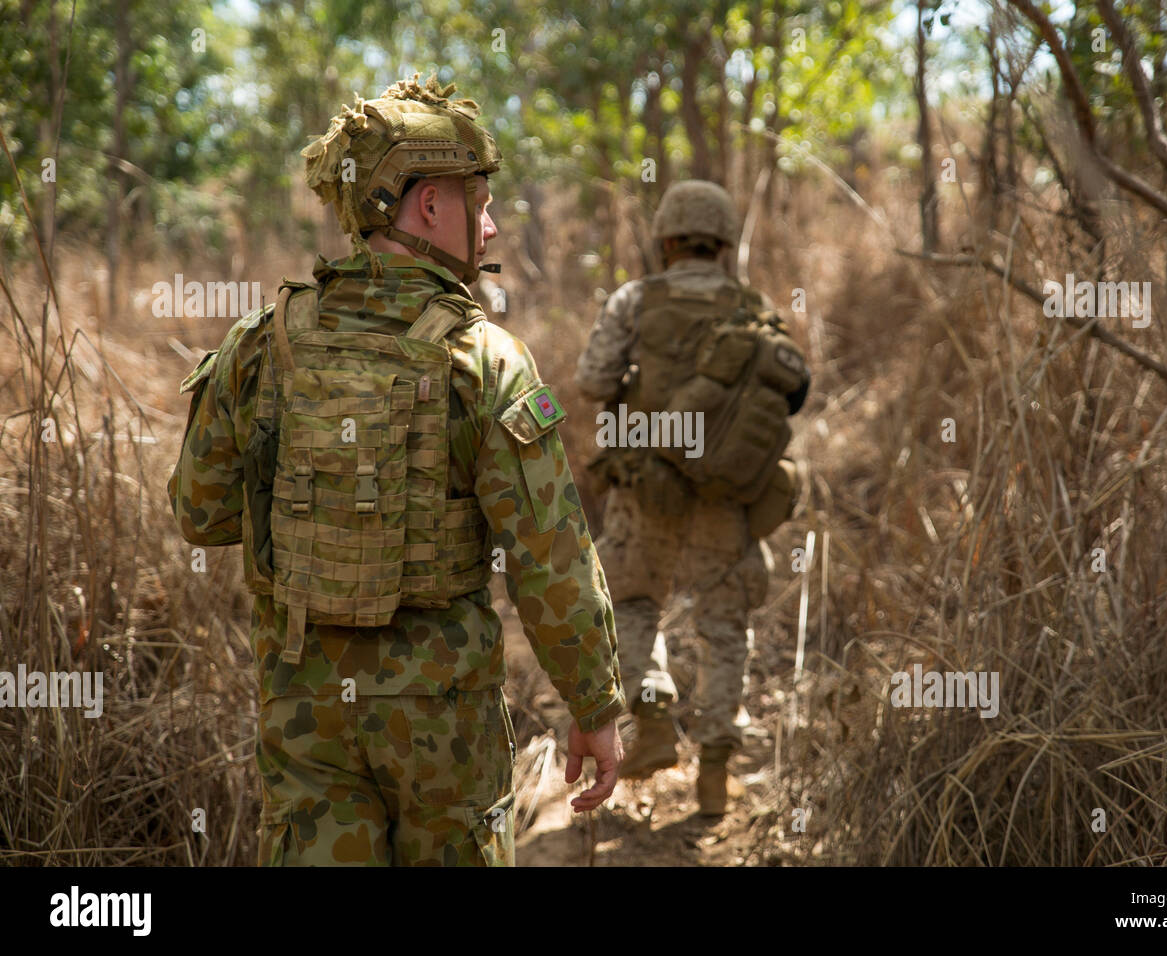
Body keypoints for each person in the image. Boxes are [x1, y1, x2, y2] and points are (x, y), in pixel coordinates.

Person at [168, 72, 624, 866]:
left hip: (305, 711)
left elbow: (199, 516)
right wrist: (594, 704)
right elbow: (547, 554)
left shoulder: (258, 342)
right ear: (429, 207)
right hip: (440, 723)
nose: (493, 226)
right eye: (479, 203)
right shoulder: (484, 359)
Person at [575, 179, 809, 817]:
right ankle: (714, 772)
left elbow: (592, 380)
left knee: (631, 605)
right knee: (724, 626)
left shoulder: (635, 299)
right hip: (725, 496)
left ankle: (651, 720)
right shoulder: (753, 306)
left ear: (668, 238)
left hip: (646, 487)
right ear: (724, 241)